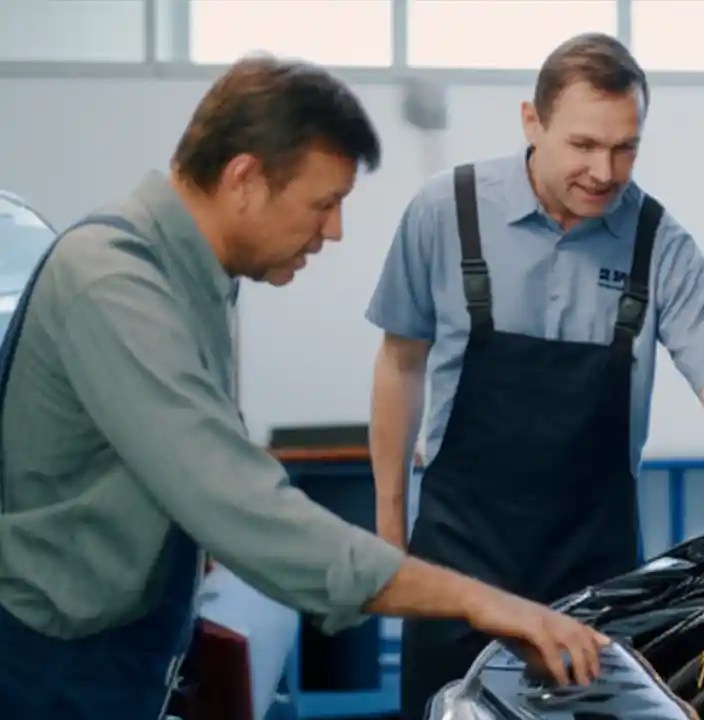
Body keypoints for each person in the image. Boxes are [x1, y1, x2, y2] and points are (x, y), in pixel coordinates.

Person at [0, 55, 607, 720]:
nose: (334, 230)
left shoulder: (194, 278)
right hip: (51, 668)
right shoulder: (115, 285)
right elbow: (240, 507)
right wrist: (487, 603)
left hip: (120, 649)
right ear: (245, 178)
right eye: (324, 203)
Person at [366, 32, 704, 719]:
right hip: (454, 563)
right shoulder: (446, 213)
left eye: (626, 148)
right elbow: (400, 363)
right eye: (585, 146)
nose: (605, 170)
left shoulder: (661, 245)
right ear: (531, 122)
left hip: (591, 574)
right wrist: (391, 527)